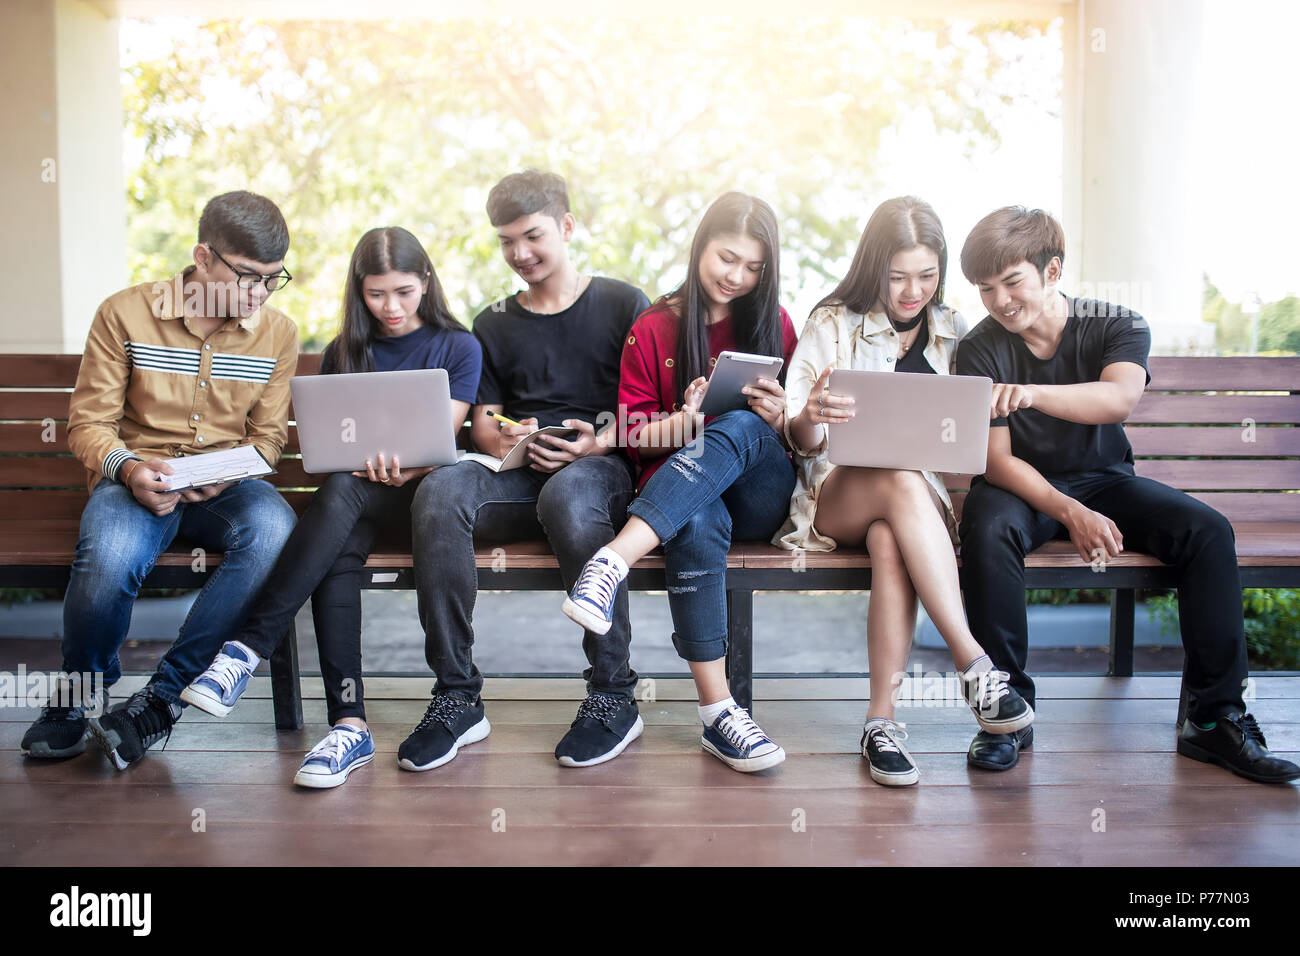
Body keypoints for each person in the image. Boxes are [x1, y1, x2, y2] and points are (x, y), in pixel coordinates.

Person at [955, 205, 1299, 784]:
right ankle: (1005, 716)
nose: (999, 301)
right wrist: (1069, 511)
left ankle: (1215, 721)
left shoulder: (1117, 322)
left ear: (1052, 270)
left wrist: (1032, 395)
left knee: (1208, 531)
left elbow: (1117, 401)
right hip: (1023, 489)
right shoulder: (979, 347)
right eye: (985, 289)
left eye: (1011, 282)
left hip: (1106, 480)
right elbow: (997, 460)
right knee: (987, 526)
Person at [180, 227, 481, 788]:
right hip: (358, 495)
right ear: (358, 291)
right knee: (339, 527)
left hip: (425, 503)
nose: (390, 307)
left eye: (404, 292)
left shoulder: (458, 346)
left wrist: (404, 467)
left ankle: (247, 649)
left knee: (340, 501)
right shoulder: (349, 349)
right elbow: (332, 443)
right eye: (376, 294)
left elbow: (444, 440)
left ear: (427, 284)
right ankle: (348, 725)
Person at [20, 191, 300, 770]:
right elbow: (89, 424)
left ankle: (161, 700)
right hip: (134, 479)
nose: (258, 295)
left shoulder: (277, 334)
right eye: (247, 277)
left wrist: (224, 473)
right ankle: (80, 693)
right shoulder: (124, 312)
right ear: (203, 257)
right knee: (109, 557)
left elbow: (268, 439)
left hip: (227, 489)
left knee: (277, 527)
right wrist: (128, 468)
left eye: (273, 280)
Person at [772, 197, 1033, 786]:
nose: (913, 291)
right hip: (834, 499)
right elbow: (797, 437)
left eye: (927, 275)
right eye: (897, 277)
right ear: (874, 268)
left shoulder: (955, 332)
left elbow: (968, 445)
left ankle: (880, 725)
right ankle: (973, 664)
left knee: (892, 535)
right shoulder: (832, 321)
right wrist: (813, 411)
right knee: (895, 475)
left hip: (920, 511)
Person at [400, 169, 650, 771]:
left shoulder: (623, 303)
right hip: (519, 471)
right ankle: (456, 696)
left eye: (532, 236)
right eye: (506, 241)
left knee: (568, 496)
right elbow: (484, 424)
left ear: (566, 225)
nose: (520, 253)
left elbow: (646, 410)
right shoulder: (493, 322)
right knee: (440, 489)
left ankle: (614, 692)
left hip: (600, 473)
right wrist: (519, 434)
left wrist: (595, 445)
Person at [563, 192, 799, 773]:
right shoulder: (653, 327)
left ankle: (612, 561)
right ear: (700, 248)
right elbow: (631, 435)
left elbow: (802, 439)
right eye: (726, 258)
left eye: (753, 267)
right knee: (693, 516)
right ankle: (720, 714)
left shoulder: (778, 324)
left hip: (758, 495)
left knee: (743, 422)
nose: (737, 277)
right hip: (679, 497)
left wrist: (783, 416)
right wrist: (687, 421)